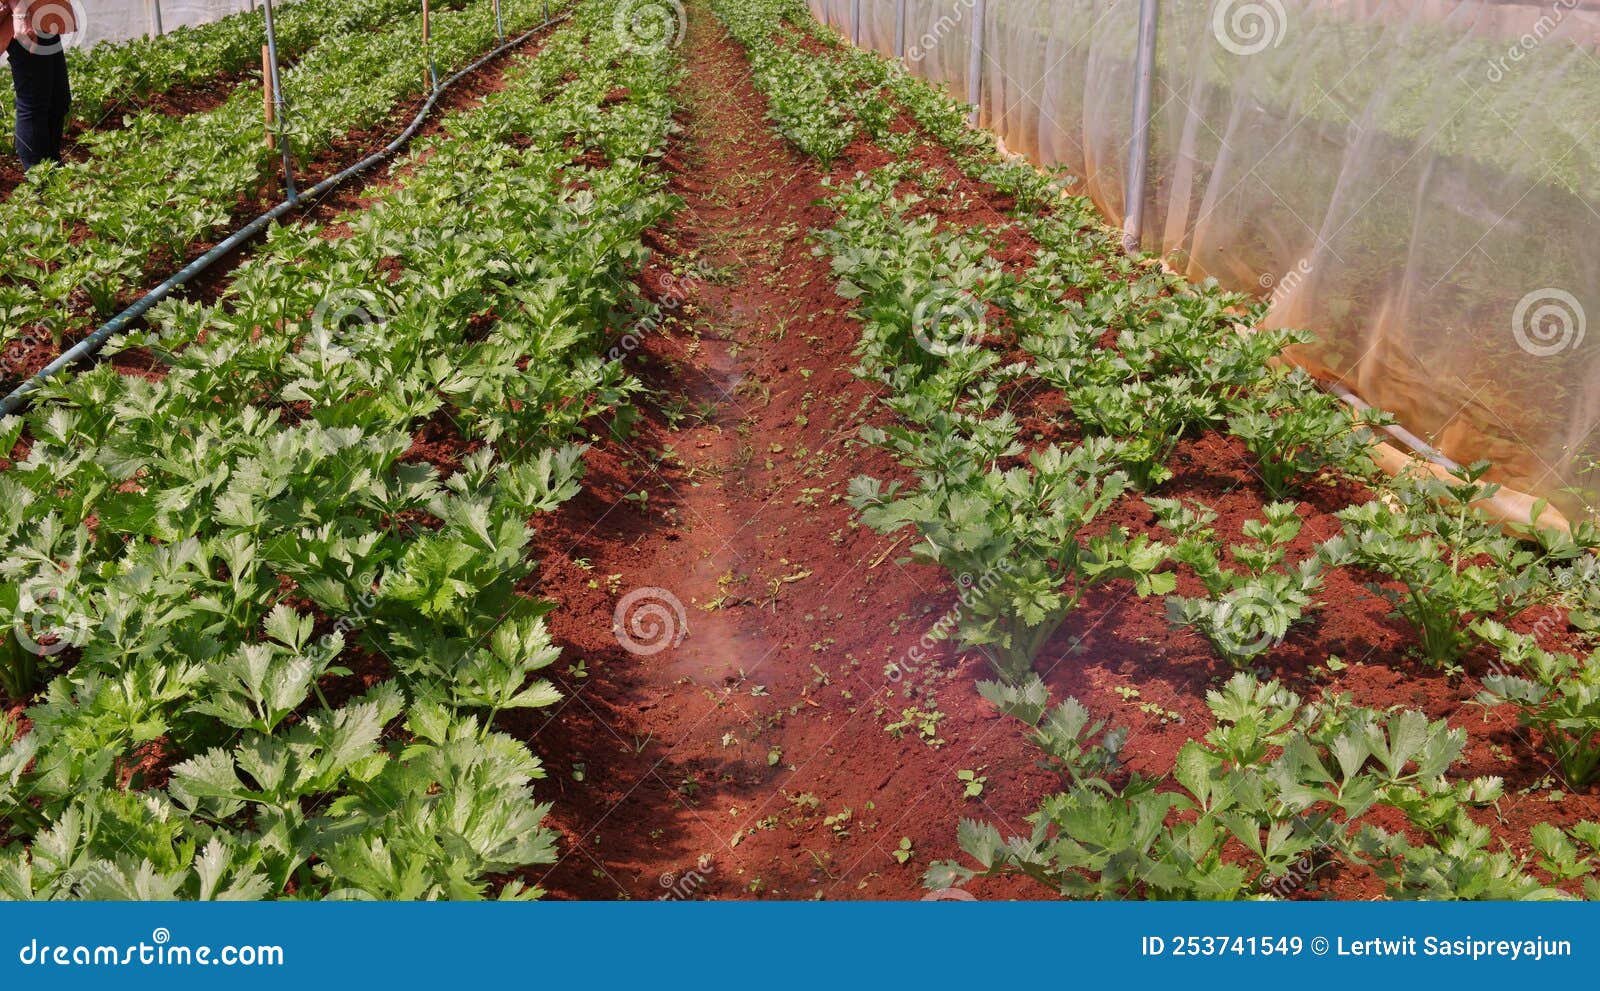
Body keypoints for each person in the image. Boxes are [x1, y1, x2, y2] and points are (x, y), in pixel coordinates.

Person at [0, 1, 74, 171]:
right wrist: (19, 13)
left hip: (41, 13)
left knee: (58, 100)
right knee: (34, 104)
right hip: (27, 15)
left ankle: (52, 168)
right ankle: (39, 180)